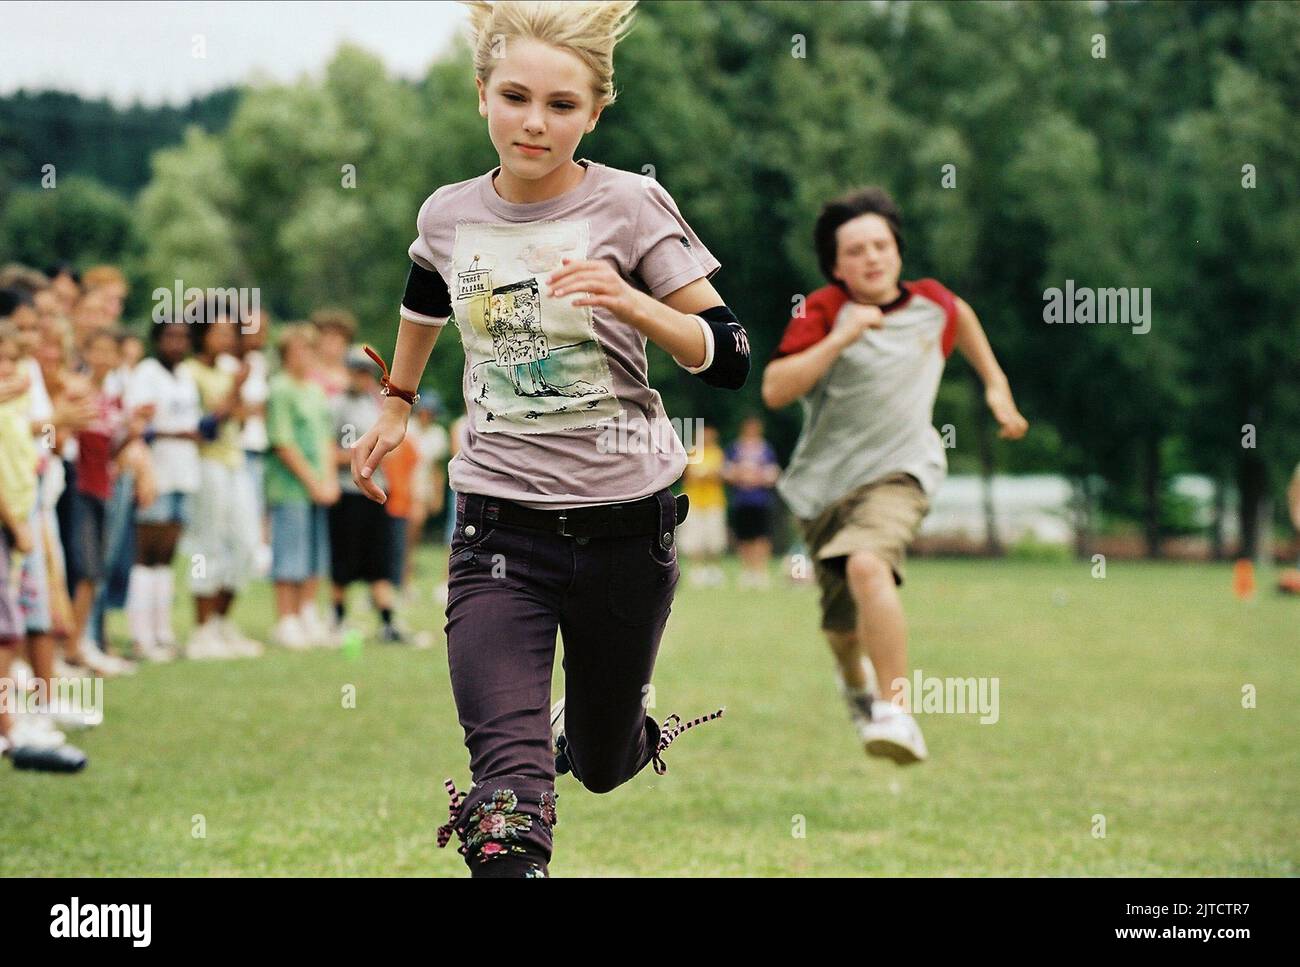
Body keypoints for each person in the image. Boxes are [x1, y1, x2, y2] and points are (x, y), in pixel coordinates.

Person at [350, 0, 748, 878]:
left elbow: (729, 356)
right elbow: (425, 286)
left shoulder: (632, 204)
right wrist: (396, 400)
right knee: (504, 805)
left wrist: (636, 302)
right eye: (516, 96)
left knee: (604, 765)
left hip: (625, 532)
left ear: (595, 113)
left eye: (561, 105)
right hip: (498, 534)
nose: (535, 122)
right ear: (482, 96)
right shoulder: (450, 214)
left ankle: (606, 726)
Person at [762, 186, 1028, 765]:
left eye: (881, 245)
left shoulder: (933, 304)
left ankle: (896, 711)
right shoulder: (821, 309)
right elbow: (776, 389)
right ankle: (857, 686)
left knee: (867, 563)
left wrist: (995, 386)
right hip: (824, 489)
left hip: (902, 473)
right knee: (840, 629)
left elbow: (966, 319)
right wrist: (842, 337)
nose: (872, 258)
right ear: (836, 266)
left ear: (898, 252)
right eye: (855, 251)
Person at [177, 312, 263, 659]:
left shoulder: (229, 370)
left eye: (231, 333)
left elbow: (240, 419)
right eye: (220, 332)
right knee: (208, 544)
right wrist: (237, 392)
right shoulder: (189, 372)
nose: (228, 339)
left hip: (234, 460)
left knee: (246, 543)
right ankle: (201, 629)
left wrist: (235, 398)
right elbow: (206, 425)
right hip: (206, 463)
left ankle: (222, 623)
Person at [124, 319, 202, 661]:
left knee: (168, 555)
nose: (177, 343)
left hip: (184, 473)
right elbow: (139, 428)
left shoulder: (185, 376)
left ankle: (163, 631)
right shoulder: (146, 374)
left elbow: (196, 424)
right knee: (147, 553)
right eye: (170, 336)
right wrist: (177, 434)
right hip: (155, 472)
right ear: (156, 339)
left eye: (183, 337)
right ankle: (141, 635)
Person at [265, 324, 338, 649]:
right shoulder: (280, 388)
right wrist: (312, 481)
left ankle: (308, 612)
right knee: (289, 554)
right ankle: (286, 619)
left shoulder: (315, 391)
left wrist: (329, 481)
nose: (304, 357)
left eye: (309, 350)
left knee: (315, 554)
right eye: (297, 351)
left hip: (319, 487)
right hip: (290, 486)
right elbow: (283, 442)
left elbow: (324, 439)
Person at [328, 348, 405, 644]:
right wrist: (358, 459)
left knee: (379, 557)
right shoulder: (337, 405)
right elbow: (329, 448)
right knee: (344, 557)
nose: (362, 378)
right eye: (357, 372)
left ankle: (387, 621)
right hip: (348, 490)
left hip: (376, 489)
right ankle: (337, 617)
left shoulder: (376, 405)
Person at [724, 415, 780, 589]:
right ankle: (747, 571)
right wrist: (741, 475)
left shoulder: (765, 448)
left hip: (760, 500)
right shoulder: (735, 448)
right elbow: (726, 470)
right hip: (741, 499)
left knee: (761, 536)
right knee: (744, 537)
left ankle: (760, 571)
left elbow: (774, 472)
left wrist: (759, 477)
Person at [677, 424, 728, 586]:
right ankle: (697, 569)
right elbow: (689, 474)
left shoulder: (717, 453)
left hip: (713, 501)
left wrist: (705, 474)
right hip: (695, 501)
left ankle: (713, 569)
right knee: (694, 538)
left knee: (714, 538)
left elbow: (718, 473)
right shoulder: (693, 453)